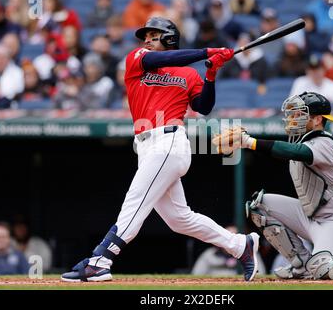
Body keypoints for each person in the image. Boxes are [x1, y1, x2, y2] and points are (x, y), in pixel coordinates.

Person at [61, 16, 260, 282]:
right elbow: (162, 60)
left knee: (135, 202)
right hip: (147, 146)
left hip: (168, 142)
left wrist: (211, 73)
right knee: (180, 219)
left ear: (168, 38)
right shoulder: (137, 60)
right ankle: (240, 245)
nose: (146, 41)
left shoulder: (189, 74)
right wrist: (206, 52)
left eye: (153, 36)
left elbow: (203, 106)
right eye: (146, 37)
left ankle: (101, 260)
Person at [213, 91, 333, 280]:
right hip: (312, 217)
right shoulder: (303, 140)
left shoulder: (324, 141)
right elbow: (291, 150)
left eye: (300, 114)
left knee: (323, 267)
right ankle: (301, 265)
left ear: (318, 119)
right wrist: (247, 143)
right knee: (259, 206)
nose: (294, 118)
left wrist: (249, 142)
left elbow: (297, 152)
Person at [192, 225, 266, 276]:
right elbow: (196, 274)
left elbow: (260, 274)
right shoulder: (210, 253)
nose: (231, 242)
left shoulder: (250, 252)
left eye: (234, 238)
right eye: (228, 238)